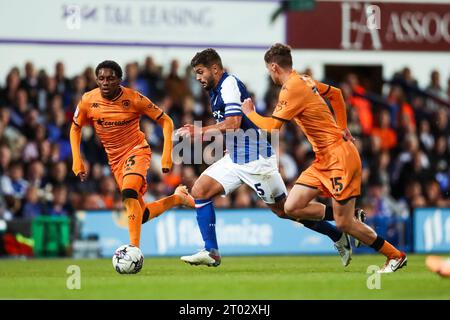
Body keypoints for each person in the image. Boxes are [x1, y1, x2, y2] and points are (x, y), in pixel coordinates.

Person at [177, 49, 354, 268]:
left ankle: (342, 226)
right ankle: (211, 251)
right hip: (236, 157)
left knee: (285, 210)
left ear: (215, 68)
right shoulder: (215, 89)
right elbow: (235, 128)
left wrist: (198, 132)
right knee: (200, 190)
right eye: (196, 73)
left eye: (201, 72)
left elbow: (233, 123)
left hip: (256, 159)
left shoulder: (228, 85)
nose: (198, 78)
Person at [241, 43, 407, 273]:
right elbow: (337, 95)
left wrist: (250, 113)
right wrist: (343, 127)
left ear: (274, 67)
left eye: (269, 71)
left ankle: (395, 255)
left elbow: (272, 127)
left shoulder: (291, 88)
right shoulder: (306, 80)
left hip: (340, 158)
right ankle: (353, 217)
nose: (271, 76)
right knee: (291, 206)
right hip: (323, 159)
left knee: (344, 223)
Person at [70, 60, 194, 248]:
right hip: (115, 160)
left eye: (110, 78)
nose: (105, 82)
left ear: (119, 80)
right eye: (101, 78)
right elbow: (75, 128)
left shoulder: (134, 98)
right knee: (139, 214)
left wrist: (167, 154)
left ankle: (133, 249)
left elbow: (166, 121)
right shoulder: (88, 100)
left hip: (137, 151)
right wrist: (77, 160)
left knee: (129, 193)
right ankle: (177, 198)